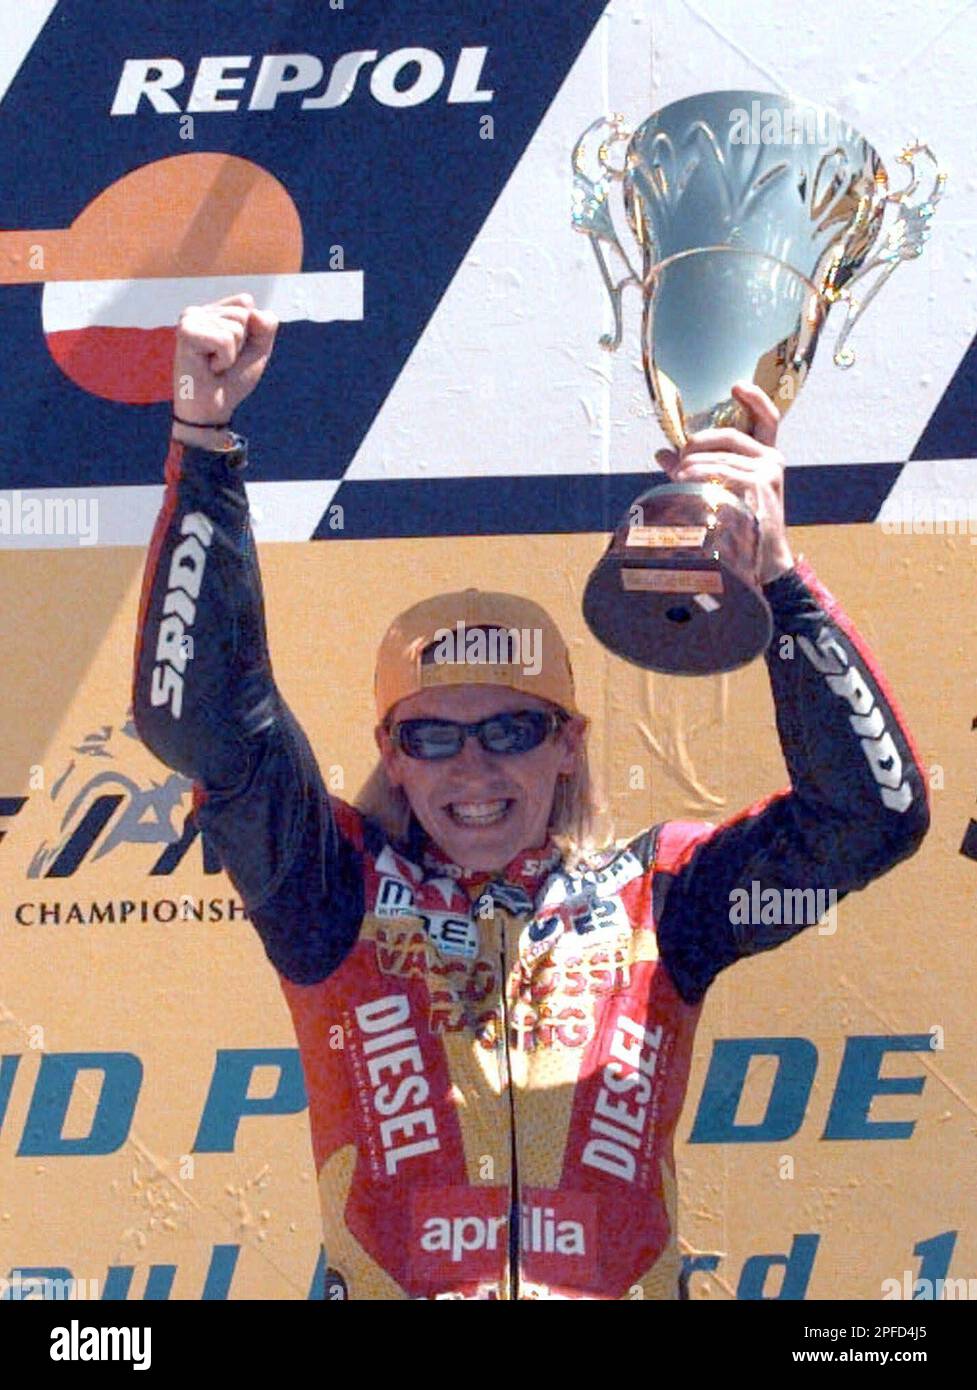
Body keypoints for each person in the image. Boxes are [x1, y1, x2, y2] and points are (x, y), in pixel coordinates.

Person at [132, 294, 929, 1301]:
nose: (472, 771)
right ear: (391, 752)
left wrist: (776, 577)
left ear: (567, 745)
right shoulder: (329, 888)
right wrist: (203, 441)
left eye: (511, 730)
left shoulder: (663, 899)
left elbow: (873, 818)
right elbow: (197, 715)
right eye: (432, 735)